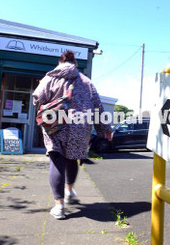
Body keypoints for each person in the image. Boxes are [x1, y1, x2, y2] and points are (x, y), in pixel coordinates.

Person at [32, 50, 113, 219]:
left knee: (56, 160)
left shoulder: (50, 77)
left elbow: (37, 98)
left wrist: (46, 106)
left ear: (60, 63)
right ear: (75, 64)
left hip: (55, 125)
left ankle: (59, 206)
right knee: (72, 158)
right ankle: (69, 191)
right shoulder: (86, 81)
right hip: (79, 127)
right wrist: (105, 129)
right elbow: (98, 106)